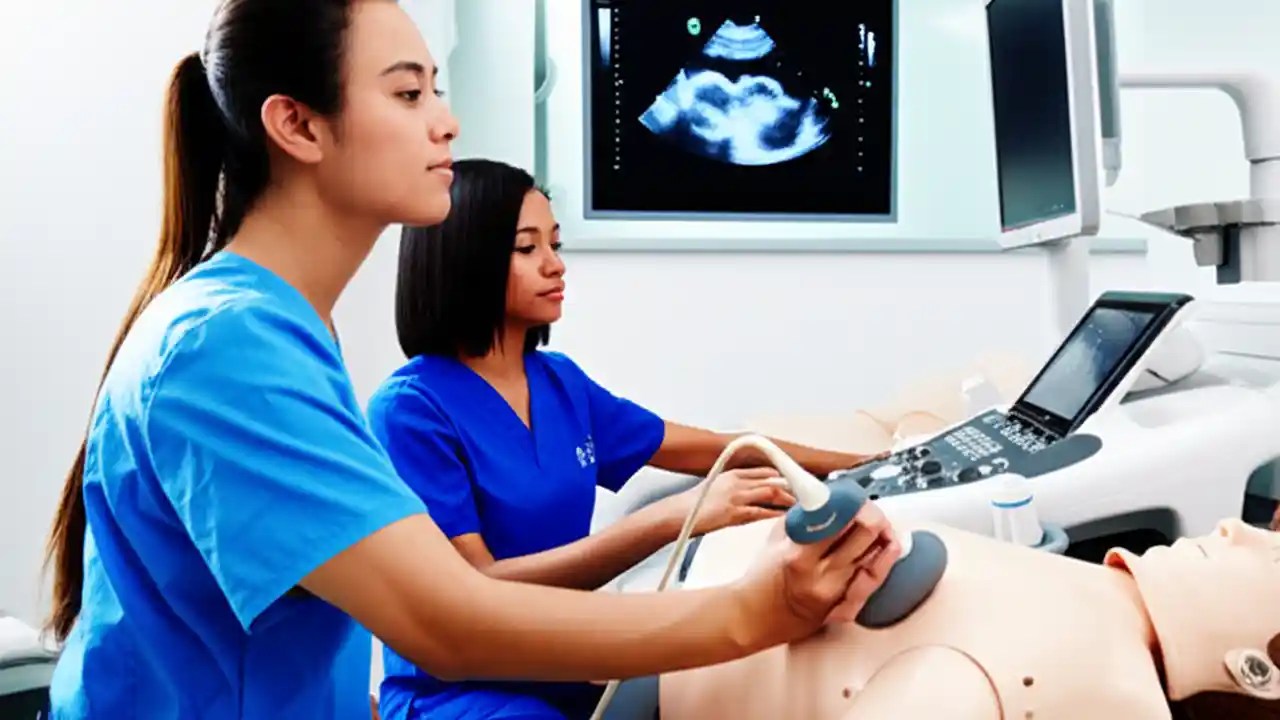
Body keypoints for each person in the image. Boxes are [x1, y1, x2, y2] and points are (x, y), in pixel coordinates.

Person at [39, 2, 903, 718]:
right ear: (297, 124)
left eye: (436, 90)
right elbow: (445, 620)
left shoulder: (275, 327)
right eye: (408, 94)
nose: (446, 121)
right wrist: (756, 612)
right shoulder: (229, 347)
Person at [365, 158, 886, 719]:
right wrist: (673, 519)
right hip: (462, 689)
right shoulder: (412, 412)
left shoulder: (557, 380)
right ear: (463, 258)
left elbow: (716, 447)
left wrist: (872, 463)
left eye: (556, 245)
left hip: (563, 661)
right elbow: (477, 587)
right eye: (527, 249)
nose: (555, 265)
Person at [658, 515, 1280, 720]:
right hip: (681, 601)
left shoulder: (1102, 677)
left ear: (1258, 669)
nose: (1236, 528)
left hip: (661, 657)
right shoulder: (1093, 601)